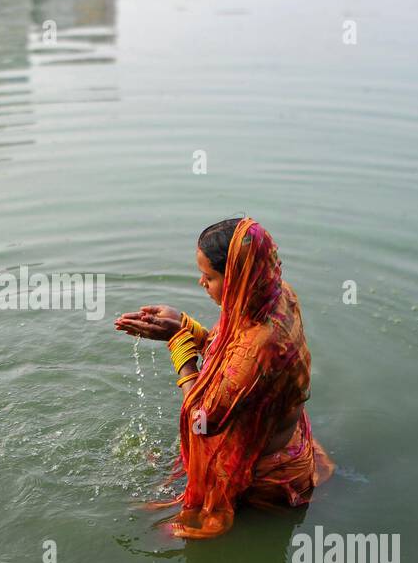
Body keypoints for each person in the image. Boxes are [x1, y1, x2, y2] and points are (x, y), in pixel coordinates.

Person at [114, 217, 335, 539]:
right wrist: (186, 324)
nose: (201, 284)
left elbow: (204, 418)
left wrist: (179, 344)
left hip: (261, 478)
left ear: (238, 280)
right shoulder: (273, 295)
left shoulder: (261, 343)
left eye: (209, 277)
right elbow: (233, 359)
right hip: (282, 440)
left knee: (159, 534)